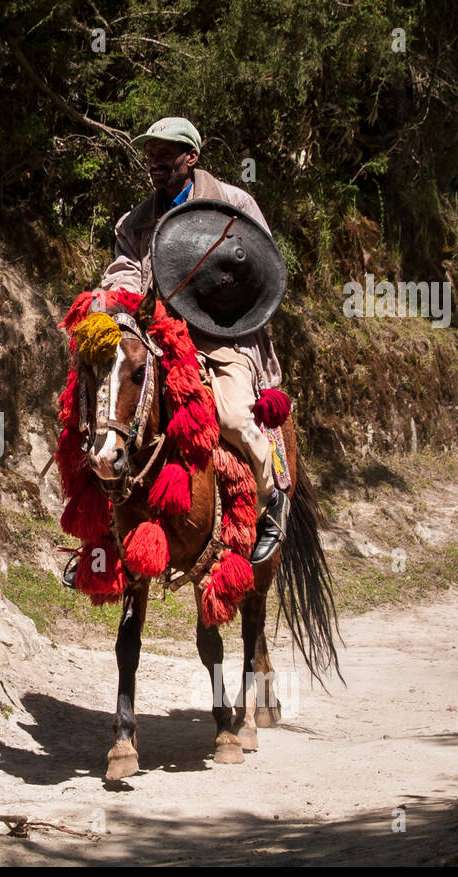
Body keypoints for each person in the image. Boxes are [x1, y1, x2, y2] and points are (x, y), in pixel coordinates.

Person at [101, 117, 287, 564]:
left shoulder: (234, 203)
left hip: (222, 336)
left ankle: (272, 501)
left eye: (166, 153)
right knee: (100, 411)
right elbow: (124, 266)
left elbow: (258, 270)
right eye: (151, 153)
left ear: (192, 156)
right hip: (152, 336)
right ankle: (102, 533)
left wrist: (216, 293)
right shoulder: (135, 221)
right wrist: (124, 297)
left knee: (236, 418)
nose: (155, 162)